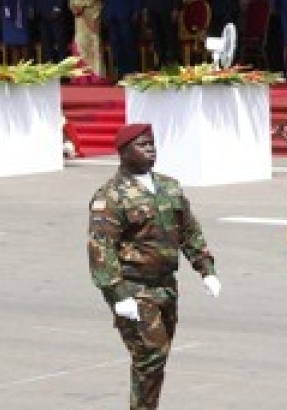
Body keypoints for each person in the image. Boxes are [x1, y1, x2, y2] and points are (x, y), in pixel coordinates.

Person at [87, 123, 221, 410]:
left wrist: (206, 269)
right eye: (142, 145)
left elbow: (189, 231)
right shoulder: (110, 196)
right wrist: (118, 294)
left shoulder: (168, 186)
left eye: (152, 144)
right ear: (123, 153)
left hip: (166, 285)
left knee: (157, 357)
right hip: (135, 287)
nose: (150, 149)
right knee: (150, 355)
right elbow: (101, 249)